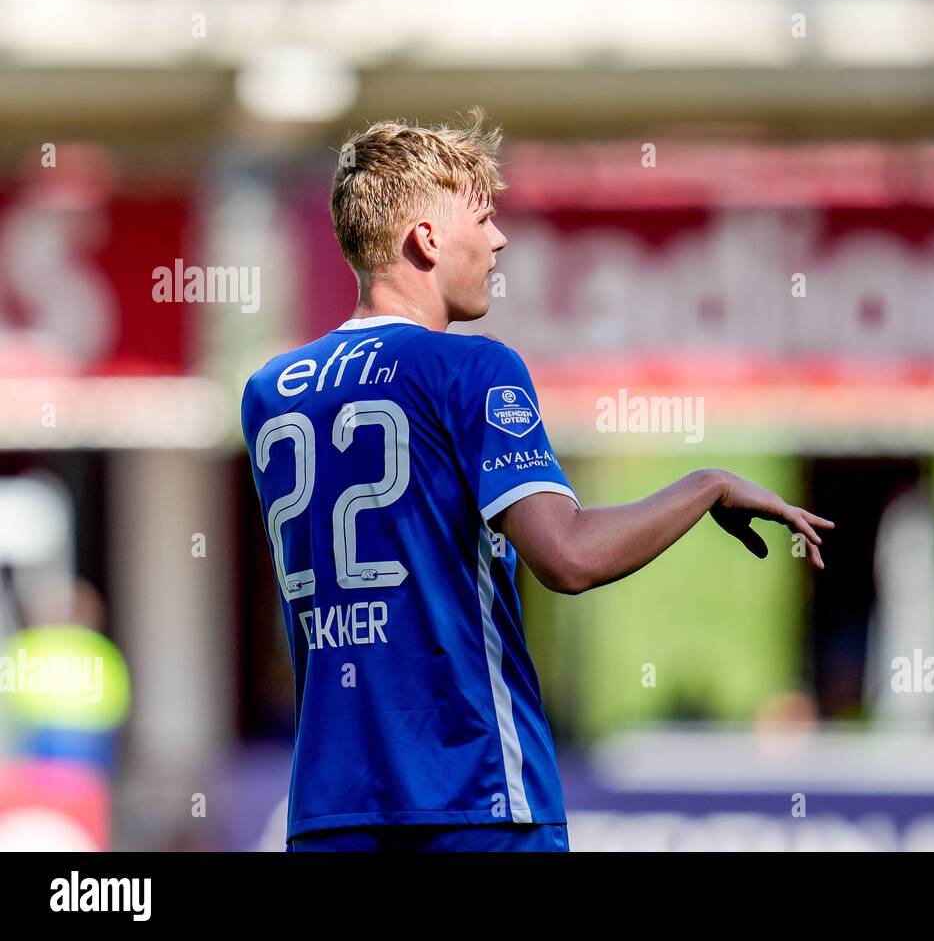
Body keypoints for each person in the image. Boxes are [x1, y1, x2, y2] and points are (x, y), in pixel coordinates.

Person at [240, 109, 834, 852]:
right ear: (425, 239)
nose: (499, 240)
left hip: (332, 810)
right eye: (483, 219)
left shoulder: (270, 390)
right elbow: (569, 556)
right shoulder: (474, 368)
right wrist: (706, 485)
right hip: (476, 797)